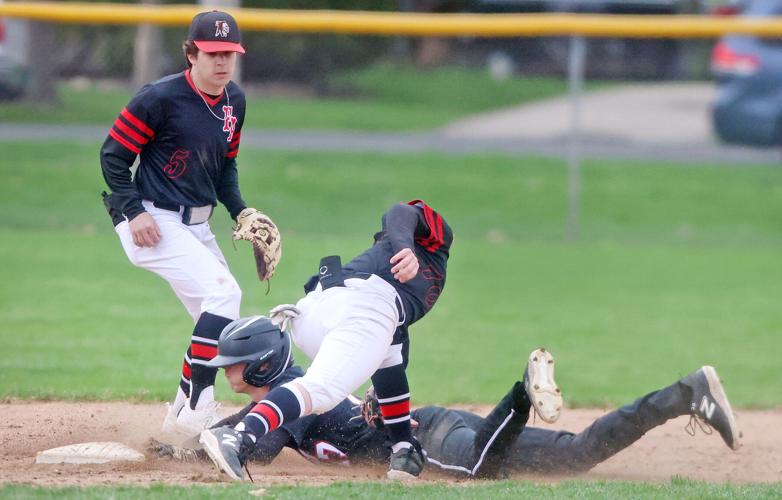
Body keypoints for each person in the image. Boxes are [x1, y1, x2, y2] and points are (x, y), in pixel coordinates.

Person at [153, 320, 739, 479]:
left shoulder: (290, 400)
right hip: (435, 422)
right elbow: (242, 429)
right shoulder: (298, 389)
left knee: (473, 470)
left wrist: (180, 455)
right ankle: (685, 394)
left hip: (432, 442)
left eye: (232, 365)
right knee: (578, 455)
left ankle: (521, 393)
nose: (227, 374)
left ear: (258, 364)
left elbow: (246, 441)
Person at [199, 200, 454, 480]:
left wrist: (402, 442)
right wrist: (406, 246)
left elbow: (390, 364)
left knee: (369, 362)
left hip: (316, 311)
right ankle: (240, 437)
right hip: (362, 304)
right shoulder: (428, 247)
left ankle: (403, 451)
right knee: (321, 390)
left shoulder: (392, 301)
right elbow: (401, 211)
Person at [100, 10, 265, 436]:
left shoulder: (235, 101)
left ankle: (176, 424)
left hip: (196, 224)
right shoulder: (158, 98)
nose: (222, 61)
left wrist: (240, 210)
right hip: (152, 219)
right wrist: (133, 211)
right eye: (212, 52)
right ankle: (198, 404)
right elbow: (113, 157)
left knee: (220, 320)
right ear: (191, 53)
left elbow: (225, 167)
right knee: (224, 292)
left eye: (229, 52)